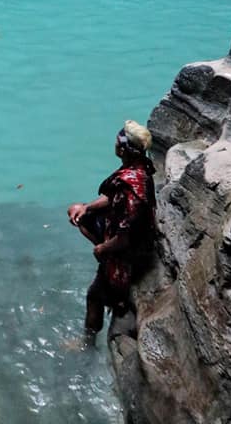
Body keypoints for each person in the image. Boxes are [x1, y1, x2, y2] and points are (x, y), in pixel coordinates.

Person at [67, 120, 156, 342]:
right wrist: (86, 207)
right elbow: (111, 197)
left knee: (94, 295)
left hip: (128, 248)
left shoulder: (133, 190)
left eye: (118, 142)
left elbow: (127, 237)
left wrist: (103, 249)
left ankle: (87, 341)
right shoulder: (137, 168)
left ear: (124, 149)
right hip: (122, 232)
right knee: (79, 213)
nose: (115, 144)